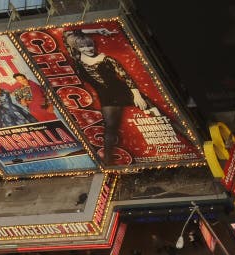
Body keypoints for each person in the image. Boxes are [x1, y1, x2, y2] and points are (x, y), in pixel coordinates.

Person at [63, 28, 180, 165]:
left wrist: (137, 96)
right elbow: (67, 34)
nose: (88, 48)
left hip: (124, 92)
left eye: (90, 45)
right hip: (107, 98)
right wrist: (97, 30)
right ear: (77, 48)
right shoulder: (77, 59)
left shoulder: (106, 59)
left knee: (160, 114)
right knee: (110, 128)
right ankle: (107, 162)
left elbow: (126, 76)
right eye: (83, 46)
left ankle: (188, 137)